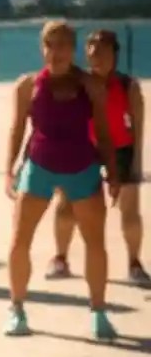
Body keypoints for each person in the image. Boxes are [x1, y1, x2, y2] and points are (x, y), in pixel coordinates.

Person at [4, 20, 119, 340]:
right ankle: (16, 309)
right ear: (42, 49)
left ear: (73, 49)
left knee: (95, 243)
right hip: (39, 167)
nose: (56, 52)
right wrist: (9, 170)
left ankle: (99, 312)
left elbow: (104, 132)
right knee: (19, 240)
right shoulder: (27, 86)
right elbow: (17, 129)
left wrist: (113, 172)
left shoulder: (90, 86)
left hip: (82, 168)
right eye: (49, 45)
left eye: (63, 45)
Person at [46, 29, 147, 286]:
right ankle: (60, 258)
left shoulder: (128, 86)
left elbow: (138, 126)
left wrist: (136, 163)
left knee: (130, 210)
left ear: (114, 54)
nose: (96, 56)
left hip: (121, 149)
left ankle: (135, 264)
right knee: (66, 204)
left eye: (102, 51)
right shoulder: (78, 83)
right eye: (91, 51)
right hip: (84, 149)